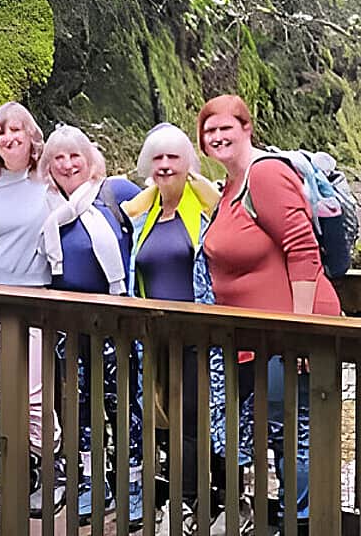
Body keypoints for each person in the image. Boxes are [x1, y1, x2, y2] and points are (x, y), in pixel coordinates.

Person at [197, 95, 341, 524]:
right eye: (209, 131)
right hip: (256, 339)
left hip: (287, 333)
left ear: (247, 129)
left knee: (294, 432)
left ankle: (303, 522)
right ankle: (291, 518)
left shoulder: (265, 174)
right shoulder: (229, 187)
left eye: (226, 127)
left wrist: (297, 328)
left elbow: (303, 249)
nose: (218, 136)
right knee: (276, 430)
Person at [121, 123, 231, 520]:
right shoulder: (142, 212)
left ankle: (188, 503)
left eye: (173, 157)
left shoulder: (207, 208)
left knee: (195, 417)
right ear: (147, 164)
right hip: (154, 336)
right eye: (158, 158)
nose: (165, 165)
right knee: (166, 418)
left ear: (189, 163)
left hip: (201, 334)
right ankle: (197, 501)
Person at [40, 125, 144, 525]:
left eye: (74, 156)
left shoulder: (115, 192)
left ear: (89, 159)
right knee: (78, 406)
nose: (67, 165)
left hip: (116, 320)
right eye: (58, 158)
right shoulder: (47, 206)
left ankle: (133, 484)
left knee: (124, 406)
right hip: (67, 324)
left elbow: (160, 218)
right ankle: (88, 481)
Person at [0, 102, 62, 517]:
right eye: (0, 132)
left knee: (32, 394)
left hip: (32, 297)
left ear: (32, 137)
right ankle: (8, 473)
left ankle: (50, 470)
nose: (8, 138)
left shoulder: (47, 180)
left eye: (17, 131)